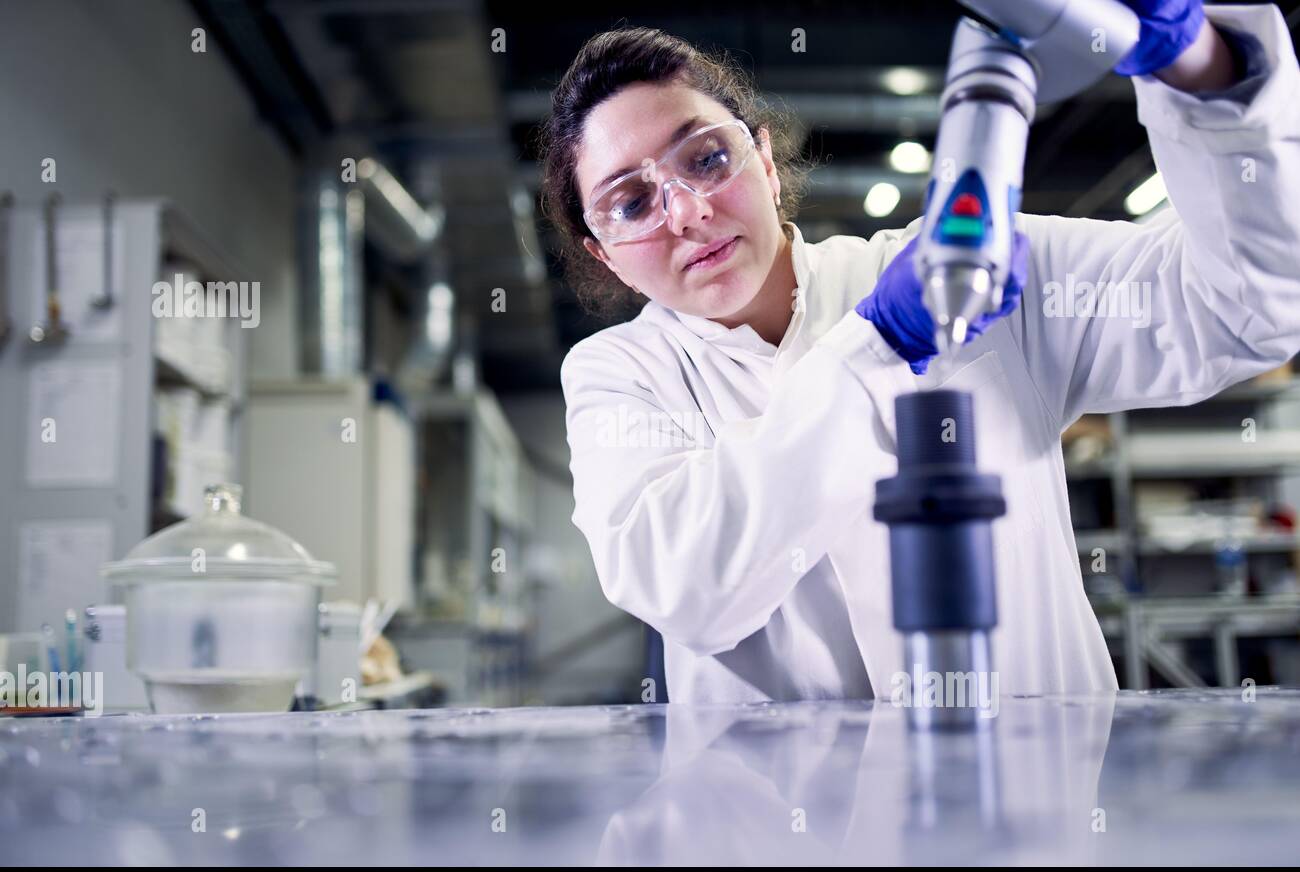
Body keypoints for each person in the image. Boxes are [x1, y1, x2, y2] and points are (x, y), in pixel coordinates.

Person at [538, 2, 1300, 704]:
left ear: (766, 162)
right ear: (602, 254)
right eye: (632, 203)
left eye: (706, 159)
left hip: (1031, 821)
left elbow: (1249, 310)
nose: (690, 212)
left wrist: (1210, 78)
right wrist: (879, 347)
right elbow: (685, 586)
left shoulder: (967, 269)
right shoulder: (618, 377)